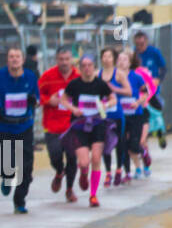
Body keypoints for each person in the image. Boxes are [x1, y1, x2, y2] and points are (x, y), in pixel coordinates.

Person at [58, 53, 117, 208]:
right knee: (84, 162)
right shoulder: (74, 84)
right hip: (79, 125)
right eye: (83, 65)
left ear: (94, 67)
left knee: (96, 159)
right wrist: (73, 108)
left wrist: (106, 105)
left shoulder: (101, 84)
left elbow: (113, 99)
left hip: (98, 124)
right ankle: (84, 173)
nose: (87, 68)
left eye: (90, 65)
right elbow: (63, 100)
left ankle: (93, 195)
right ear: (79, 68)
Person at [0, 45, 38, 213]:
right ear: (7, 60)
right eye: (11, 56)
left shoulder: (31, 77)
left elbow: (37, 98)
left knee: (26, 167)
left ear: (23, 60)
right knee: (7, 165)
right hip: (4, 126)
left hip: (24, 126)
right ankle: (6, 176)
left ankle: (19, 201)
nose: (14, 59)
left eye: (17, 56)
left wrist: (34, 101)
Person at [38, 46, 81, 201]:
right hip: (52, 126)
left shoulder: (79, 76)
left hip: (73, 126)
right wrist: (49, 100)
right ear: (56, 60)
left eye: (67, 59)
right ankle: (59, 172)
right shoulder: (48, 76)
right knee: (55, 156)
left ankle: (69, 189)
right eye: (61, 59)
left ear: (72, 60)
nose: (64, 62)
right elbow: (37, 95)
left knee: (72, 158)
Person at [97, 47, 131, 187]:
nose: (106, 59)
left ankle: (119, 170)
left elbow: (129, 91)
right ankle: (108, 173)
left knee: (120, 143)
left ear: (114, 59)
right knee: (105, 145)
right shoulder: (97, 74)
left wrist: (114, 89)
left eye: (109, 56)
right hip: (103, 116)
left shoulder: (119, 75)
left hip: (117, 115)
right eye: (104, 56)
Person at [115, 50, 149, 183]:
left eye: (125, 59)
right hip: (120, 115)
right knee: (123, 144)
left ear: (129, 63)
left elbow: (145, 94)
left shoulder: (136, 77)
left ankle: (143, 152)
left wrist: (138, 102)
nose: (121, 62)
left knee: (134, 144)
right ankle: (135, 170)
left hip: (135, 115)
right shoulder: (114, 77)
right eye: (119, 59)